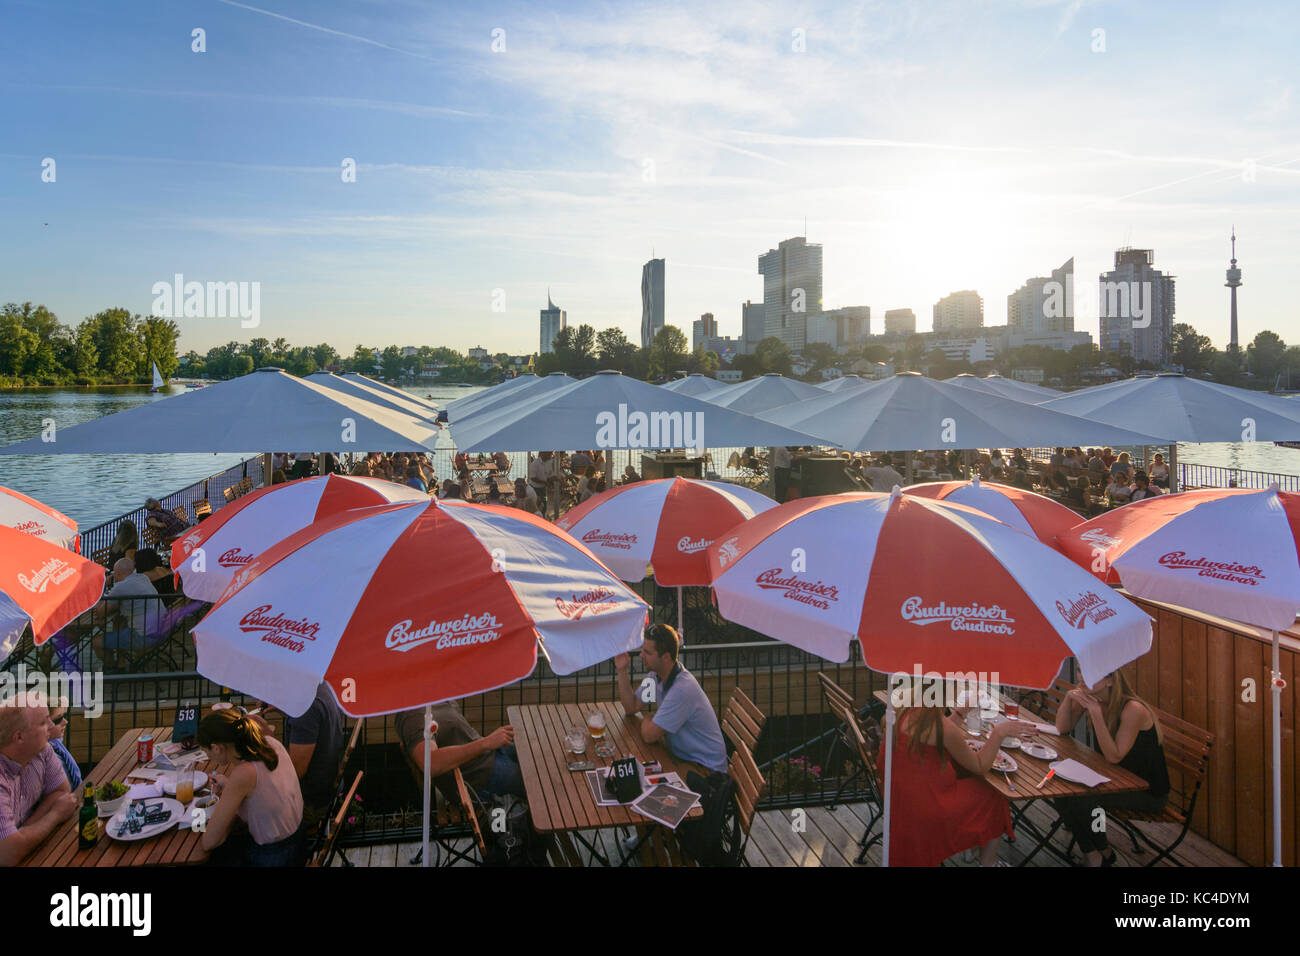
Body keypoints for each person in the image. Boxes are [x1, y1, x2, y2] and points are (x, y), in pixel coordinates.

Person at [878, 684, 1034, 866]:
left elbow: (933, 734)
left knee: (970, 780)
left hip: (899, 797)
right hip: (928, 806)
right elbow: (980, 765)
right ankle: (988, 863)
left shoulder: (904, 707)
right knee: (994, 796)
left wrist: (961, 712)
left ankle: (974, 848)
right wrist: (999, 733)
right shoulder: (940, 726)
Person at [1051, 671, 1170, 866]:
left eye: (1090, 671)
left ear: (1109, 680)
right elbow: (1063, 729)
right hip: (1114, 779)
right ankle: (1097, 851)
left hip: (1147, 791)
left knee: (1082, 796)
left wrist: (1096, 714)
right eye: (1080, 670)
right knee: (1060, 784)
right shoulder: (1092, 698)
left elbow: (1114, 756)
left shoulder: (1133, 709)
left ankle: (1098, 851)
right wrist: (1068, 698)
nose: (1081, 677)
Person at [198, 708, 306, 866]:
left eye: (206, 752)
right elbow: (264, 791)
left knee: (210, 854)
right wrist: (228, 785)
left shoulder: (243, 774)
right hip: (299, 841)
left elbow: (209, 841)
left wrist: (201, 820)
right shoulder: (270, 743)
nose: (209, 758)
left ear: (216, 747)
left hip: (275, 856)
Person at [614, 624, 727, 774]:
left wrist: (648, 718)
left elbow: (649, 735)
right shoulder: (656, 677)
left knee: (641, 779)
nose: (641, 655)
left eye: (647, 652)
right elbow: (632, 707)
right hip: (682, 759)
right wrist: (622, 670)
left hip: (706, 772)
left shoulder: (682, 689)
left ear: (666, 657)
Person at [0, 701, 78, 866]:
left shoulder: (42, 749)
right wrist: (54, 815)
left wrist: (25, 831)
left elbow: (62, 792)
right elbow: (8, 853)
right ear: (19, 737)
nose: (50, 726)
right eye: (43, 722)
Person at [394, 703, 524, 802]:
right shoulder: (413, 715)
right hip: (479, 778)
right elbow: (430, 763)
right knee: (537, 782)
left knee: (537, 755)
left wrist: (487, 744)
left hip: (489, 756)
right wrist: (485, 743)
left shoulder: (434, 697)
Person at [282, 682, 345, 831]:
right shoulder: (322, 687)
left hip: (307, 803)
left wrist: (264, 735)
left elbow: (295, 772)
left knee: (245, 811)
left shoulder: (305, 706)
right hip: (325, 788)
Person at [90, 557, 162, 668]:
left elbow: (100, 613)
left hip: (145, 637)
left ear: (117, 574)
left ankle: (111, 668)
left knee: (96, 642)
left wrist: (103, 586)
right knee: (119, 621)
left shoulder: (121, 587)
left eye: (114, 573)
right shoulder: (142, 577)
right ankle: (120, 662)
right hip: (162, 630)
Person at [46, 701, 82, 791]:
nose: (65, 722)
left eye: (64, 716)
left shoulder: (54, 742)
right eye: (58, 719)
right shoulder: (45, 758)